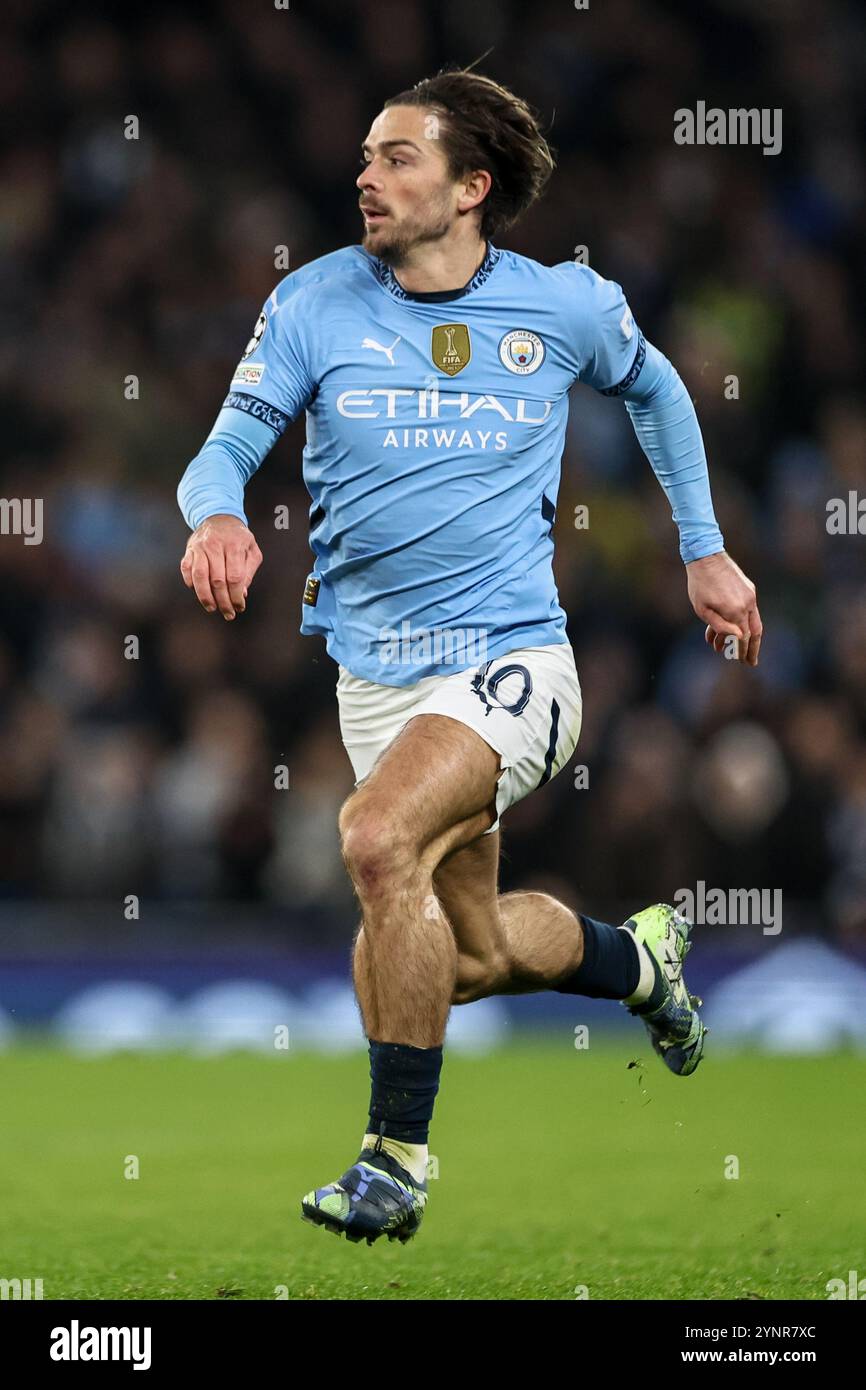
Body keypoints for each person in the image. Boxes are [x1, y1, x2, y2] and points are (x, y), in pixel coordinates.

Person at [177, 68, 762, 1246]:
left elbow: (654, 390)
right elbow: (220, 450)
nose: (366, 176)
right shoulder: (313, 303)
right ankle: (637, 962)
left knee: (374, 838)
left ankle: (393, 1158)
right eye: (365, 157)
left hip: (513, 664)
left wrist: (702, 550)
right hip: (376, 677)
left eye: (398, 158)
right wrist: (218, 514)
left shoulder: (564, 307)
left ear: (470, 187)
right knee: (474, 951)